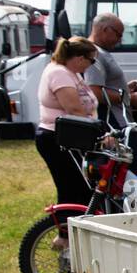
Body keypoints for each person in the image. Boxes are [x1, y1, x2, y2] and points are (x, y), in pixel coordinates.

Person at [35, 36, 99, 206]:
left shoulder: (71, 73)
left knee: (81, 188)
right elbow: (74, 109)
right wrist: (100, 133)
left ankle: (69, 228)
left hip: (71, 138)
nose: (91, 65)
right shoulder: (59, 73)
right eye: (92, 61)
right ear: (80, 59)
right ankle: (65, 230)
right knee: (72, 189)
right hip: (56, 138)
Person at [86, 13, 137, 130]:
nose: (119, 40)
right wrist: (130, 98)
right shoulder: (94, 53)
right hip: (114, 122)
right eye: (118, 35)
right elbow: (95, 92)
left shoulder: (100, 52)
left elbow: (103, 85)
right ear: (105, 30)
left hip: (119, 121)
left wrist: (125, 87)